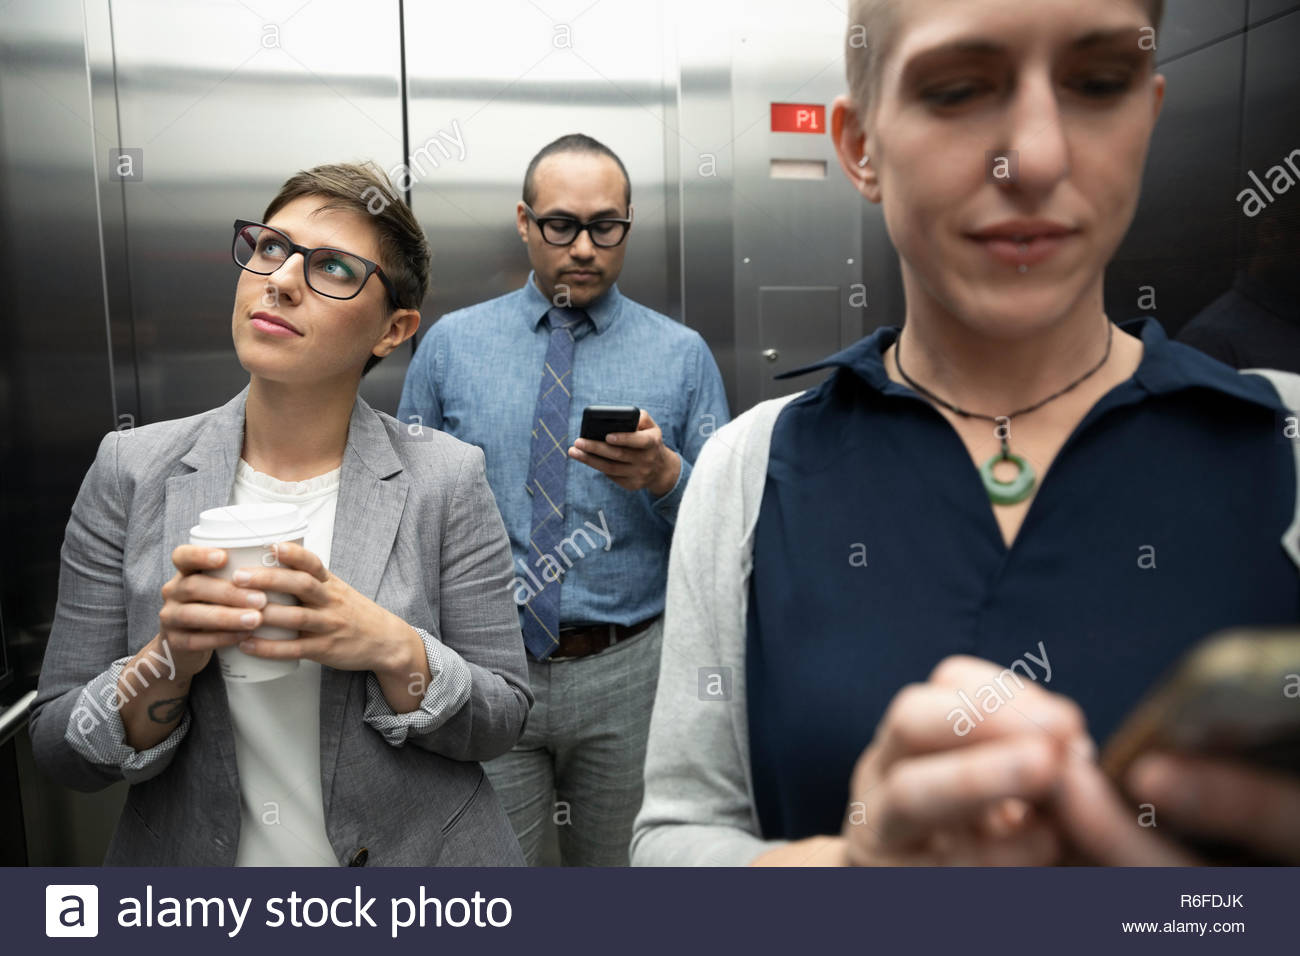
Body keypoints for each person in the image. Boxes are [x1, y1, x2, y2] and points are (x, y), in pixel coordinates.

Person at [631, 0, 1300, 867]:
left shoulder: (1280, 438)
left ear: (1150, 117)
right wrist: (851, 882)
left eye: (1098, 85)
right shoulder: (751, 469)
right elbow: (674, 839)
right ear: (861, 145)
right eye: (956, 90)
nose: (1035, 156)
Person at [29, 162, 532, 866]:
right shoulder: (130, 469)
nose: (282, 279)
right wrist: (166, 663)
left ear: (394, 328)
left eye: (331, 266)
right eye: (271, 247)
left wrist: (391, 646)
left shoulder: (445, 478)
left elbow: (501, 718)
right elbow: (59, 746)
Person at [398, 133, 730, 866]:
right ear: (524, 222)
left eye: (605, 226)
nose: (583, 246)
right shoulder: (451, 347)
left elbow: (729, 530)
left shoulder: (682, 355)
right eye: (561, 225)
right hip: (487, 665)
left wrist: (666, 477)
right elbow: (408, 512)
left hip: (632, 670)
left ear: (628, 225)